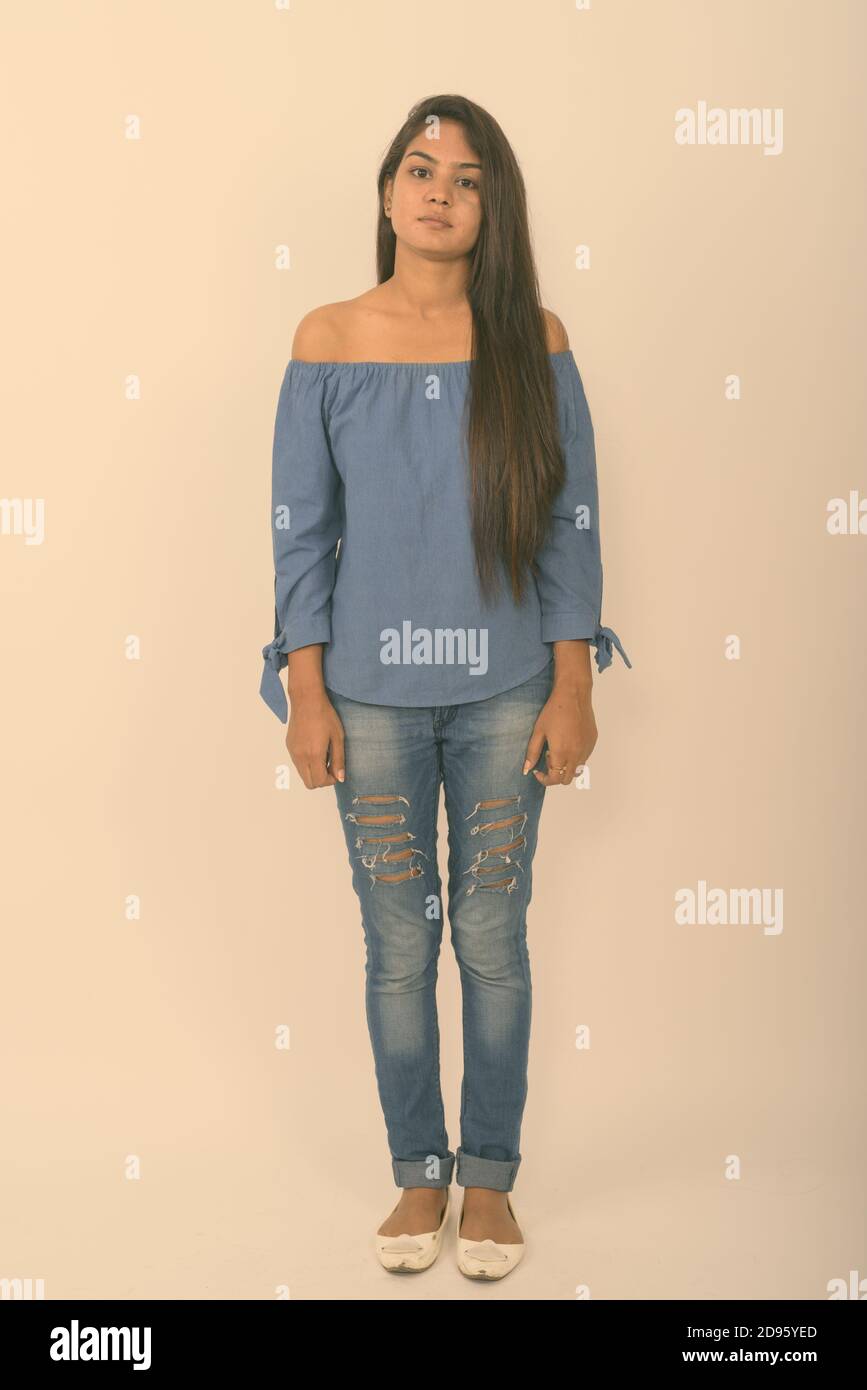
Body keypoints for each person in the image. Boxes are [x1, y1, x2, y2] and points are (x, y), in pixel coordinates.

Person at [259, 94, 631, 1280]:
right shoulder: (326, 338)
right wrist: (305, 693)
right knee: (396, 945)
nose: (439, 192)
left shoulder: (537, 337)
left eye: (467, 179)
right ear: (385, 194)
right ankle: (417, 1176)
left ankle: (492, 1180)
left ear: (491, 208)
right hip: (365, 696)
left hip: (509, 686)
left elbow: (571, 526)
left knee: (491, 933)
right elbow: (300, 535)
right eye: (420, 171)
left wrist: (574, 684)